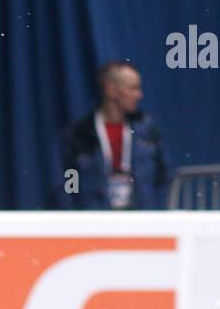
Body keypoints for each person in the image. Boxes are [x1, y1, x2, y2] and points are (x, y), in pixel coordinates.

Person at [55, 60, 169, 210]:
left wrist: (157, 216)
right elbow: (68, 185)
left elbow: (162, 180)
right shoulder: (79, 135)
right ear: (111, 90)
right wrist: (77, 219)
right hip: (96, 225)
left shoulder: (147, 132)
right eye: (133, 88)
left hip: (140, 223)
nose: (139, 95)